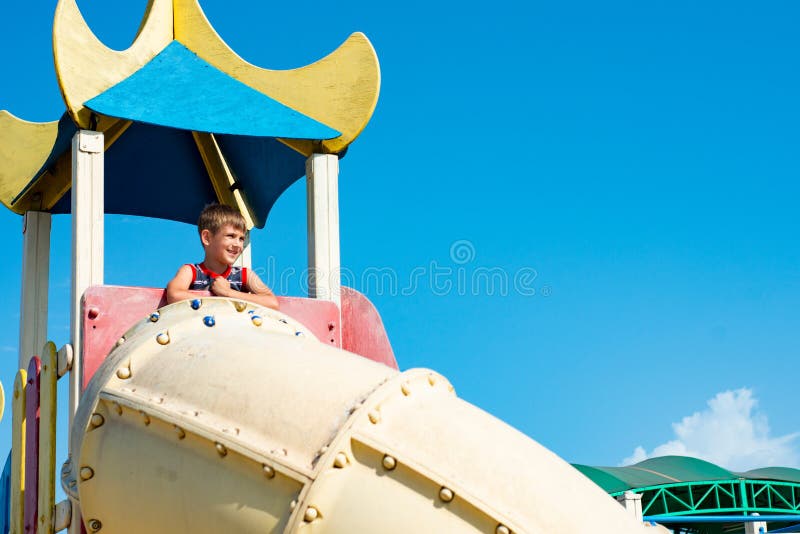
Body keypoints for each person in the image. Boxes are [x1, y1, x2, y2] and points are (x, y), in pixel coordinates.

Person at [166, 204, 279, 309]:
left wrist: (228, 293)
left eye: (241, 239)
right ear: (207, 238)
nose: (237, 244)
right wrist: (218, 299)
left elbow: (272, 303)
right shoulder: (190, 271)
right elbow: (174, 295)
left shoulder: (244, 275)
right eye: (230, 236)